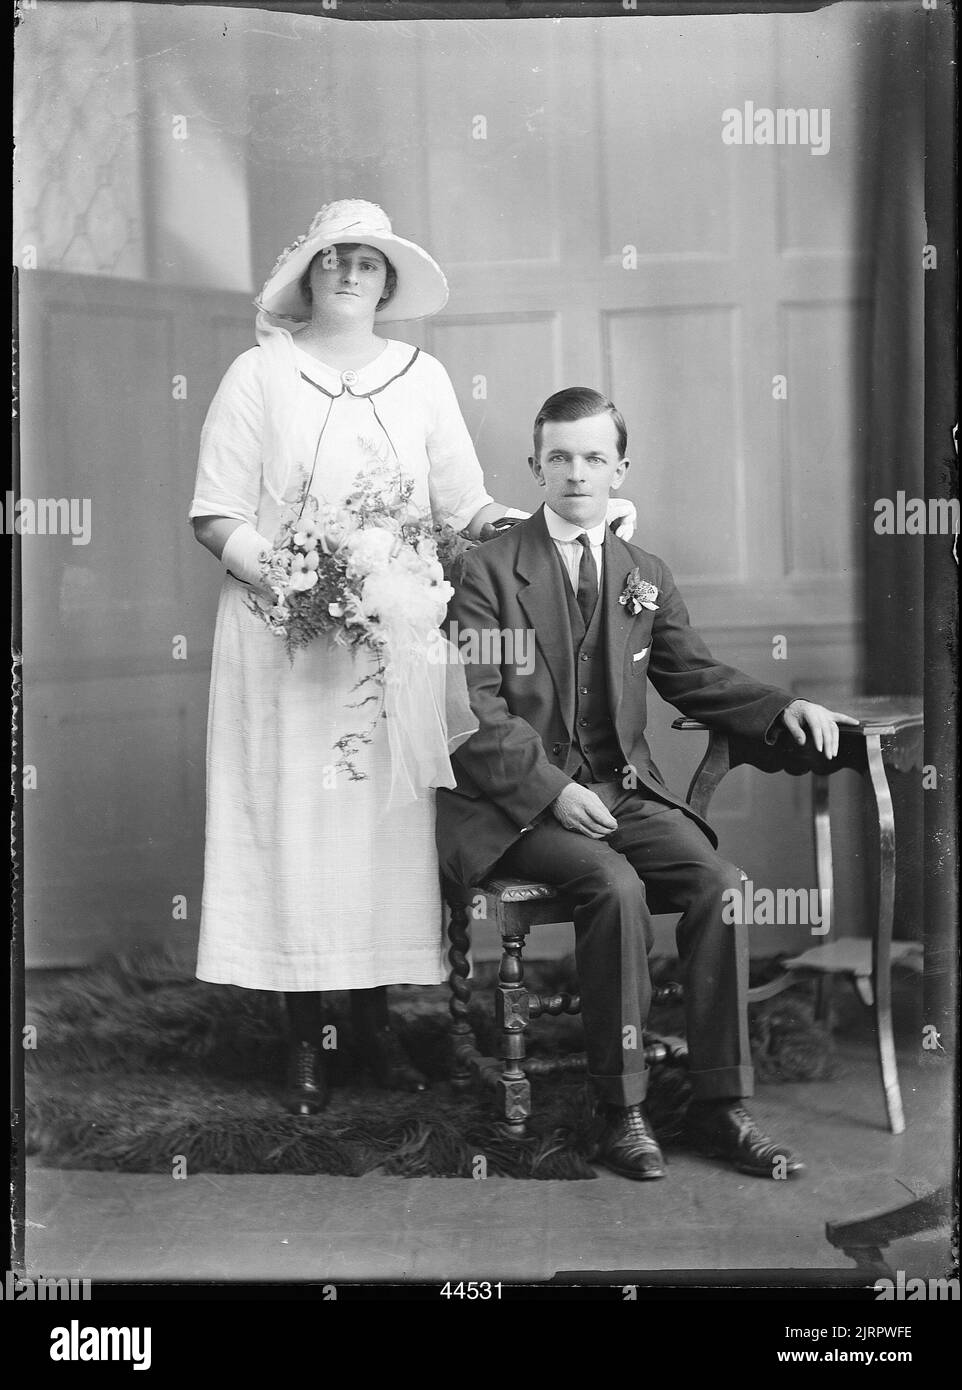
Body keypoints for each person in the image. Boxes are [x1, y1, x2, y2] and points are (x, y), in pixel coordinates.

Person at [189, 203, 635, 1114]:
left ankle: (376, 1023)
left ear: (387, 281)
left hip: (395, 639)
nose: (349, 273)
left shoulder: (420, 376)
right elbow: (215, 512)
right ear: (309, 274)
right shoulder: (257, 374)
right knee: (296, 829)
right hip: (285, 641)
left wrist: (552, 524)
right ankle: (305, 1040)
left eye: (366, 262)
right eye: (332, 260)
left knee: (382, 834)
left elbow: (465, 503)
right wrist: (294, 576)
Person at [435, 386, 857, 1180]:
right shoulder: (489, 572)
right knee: (614, 886)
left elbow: (693, 677)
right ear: (534, 467)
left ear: (620, 467)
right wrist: (553, 791)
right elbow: (475, 711)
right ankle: (621, 1107)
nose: (576, 472)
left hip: (622, 792)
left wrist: (785, 704)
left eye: (594, 457)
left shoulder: (642, 573)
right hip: (517, 806)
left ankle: (718, 1103)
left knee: (720, 884)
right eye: (558, 457)